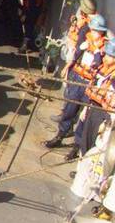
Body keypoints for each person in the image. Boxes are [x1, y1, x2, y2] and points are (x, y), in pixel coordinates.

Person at [46, 13, 108, 150]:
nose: (92, 32)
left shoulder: (104, 48)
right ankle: (60, 134)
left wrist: (96, 51)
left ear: (101, 32)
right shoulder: (86, 40)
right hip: (77, 78)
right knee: (70, 108)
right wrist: (69, 67)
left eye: (95, 30)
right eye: (92, 30)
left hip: (89, 84)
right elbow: (76, 55)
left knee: (84, 117)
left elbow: (99, 65)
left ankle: (77, 146)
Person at [75, 37, 115, 159]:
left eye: (108, 55)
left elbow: (114, 104)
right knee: (85, 140)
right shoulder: (105, 69)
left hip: (102, 114)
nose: (105, 57)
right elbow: (95, 86)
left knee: (93, 145)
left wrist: (106, 122)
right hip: (93, 107)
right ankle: (81, 164)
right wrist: (86, 108)